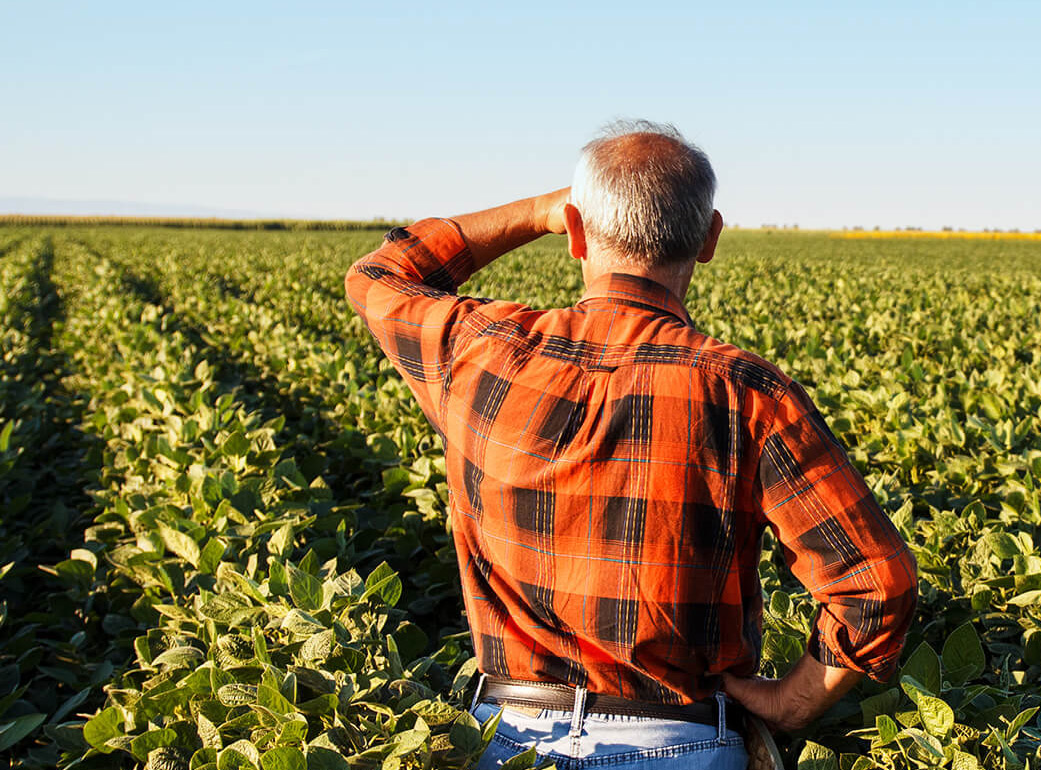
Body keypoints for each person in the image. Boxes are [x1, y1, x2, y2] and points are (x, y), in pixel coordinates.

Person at [344, 120, 919, 769]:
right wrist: (791, 703)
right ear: (709, 239)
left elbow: (380, 275)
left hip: (510, 739)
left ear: (576, 230)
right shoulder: (748, 392)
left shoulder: (479, 351)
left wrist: (537, 213)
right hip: (685, 741)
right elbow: (876, 584)